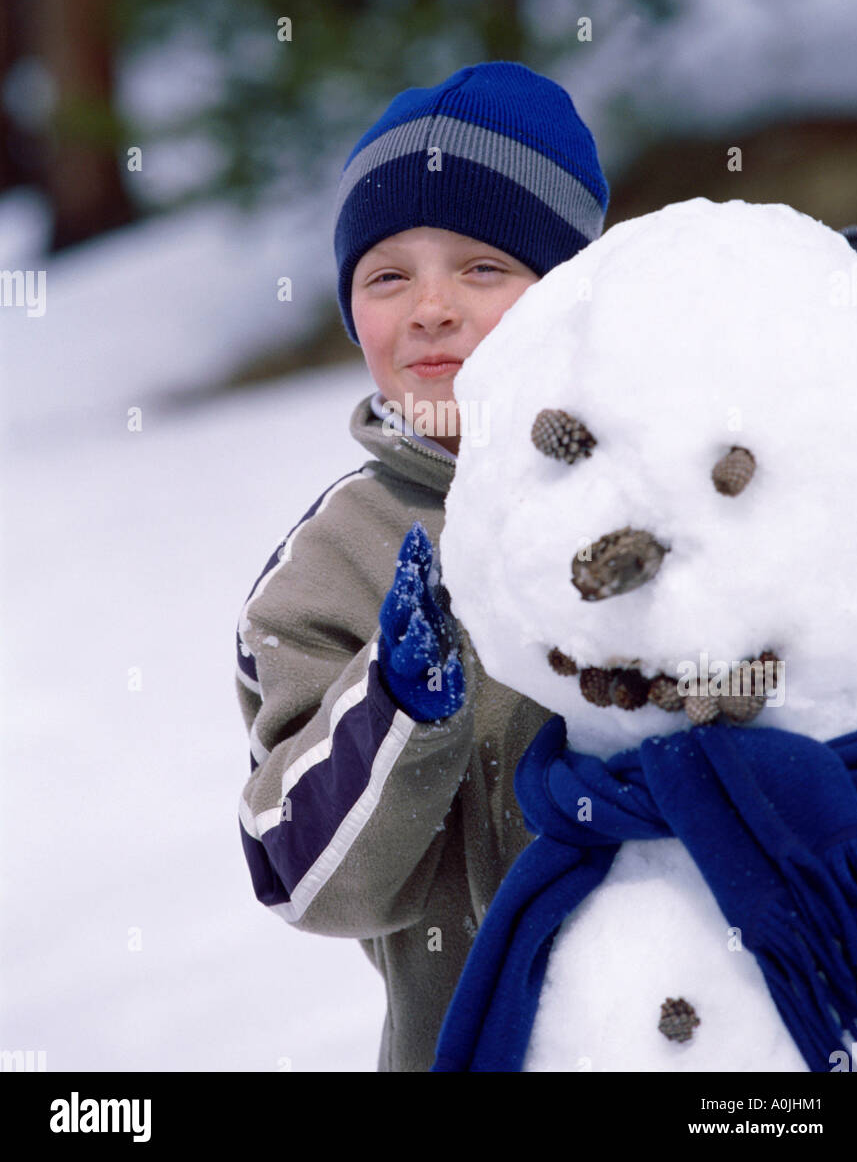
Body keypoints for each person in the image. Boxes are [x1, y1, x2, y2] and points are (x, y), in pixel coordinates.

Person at [234, 60, 609, 1071]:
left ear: (572, 295)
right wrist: (400, 704)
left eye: (483, 267)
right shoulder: (331, 567)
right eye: (388, 274)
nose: (431, 307)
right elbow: (305, 872)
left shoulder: (673, 478)